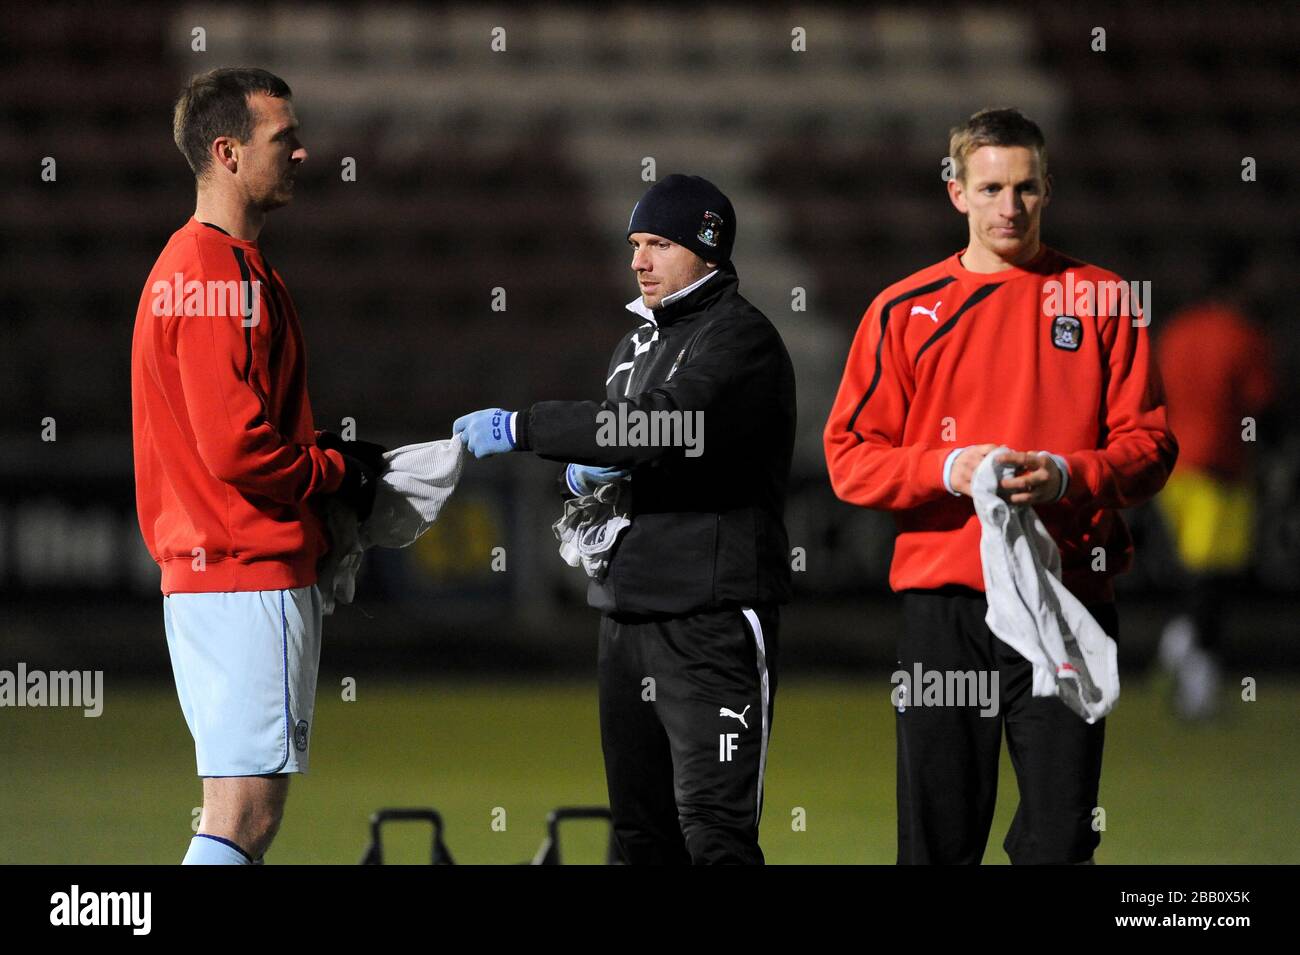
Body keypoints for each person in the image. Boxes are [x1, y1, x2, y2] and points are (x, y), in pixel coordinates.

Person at [824, 108, 1178, 864]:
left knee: (1060, 840)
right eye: (989, 188)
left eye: (1024, 188)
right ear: (956, 192)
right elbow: (849, 456)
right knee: (936, 844)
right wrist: (943, 468)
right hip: (945, 614)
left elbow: (1151, 448)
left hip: (1065, 602)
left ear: (1048, 189)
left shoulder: (1102, 298)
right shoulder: (902, 310)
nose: (1008, 207)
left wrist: (1067, 475)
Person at [453, 175, 797, 864]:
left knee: (715, 834)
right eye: (635, 244)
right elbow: (627, 447)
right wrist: (582, 476)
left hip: (711, 618)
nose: (639, 260)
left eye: (660, 244)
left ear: (708, 248)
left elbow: (658, 426)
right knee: (639, 837)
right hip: (628, 617)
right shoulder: (635, 344)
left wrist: (525, 425)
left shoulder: (741, 339)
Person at [131, 68, 384, 864]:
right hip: (244, 568)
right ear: (228, 152)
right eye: (285, 139)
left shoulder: (195, 263)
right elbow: (237, 447)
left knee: (228, 812)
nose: (304, 152)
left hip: (209, 571)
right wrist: (336, 475)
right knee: (243, 818)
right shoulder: (213, 273)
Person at [1155, 278, 1277, 719]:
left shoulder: (1177, 330)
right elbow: (1259, 404)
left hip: (1172, 467)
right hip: (1218, 467)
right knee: (1214, 576)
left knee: (1199, 569)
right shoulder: (1242, 334)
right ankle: (1194, 671)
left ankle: (1182, 645)